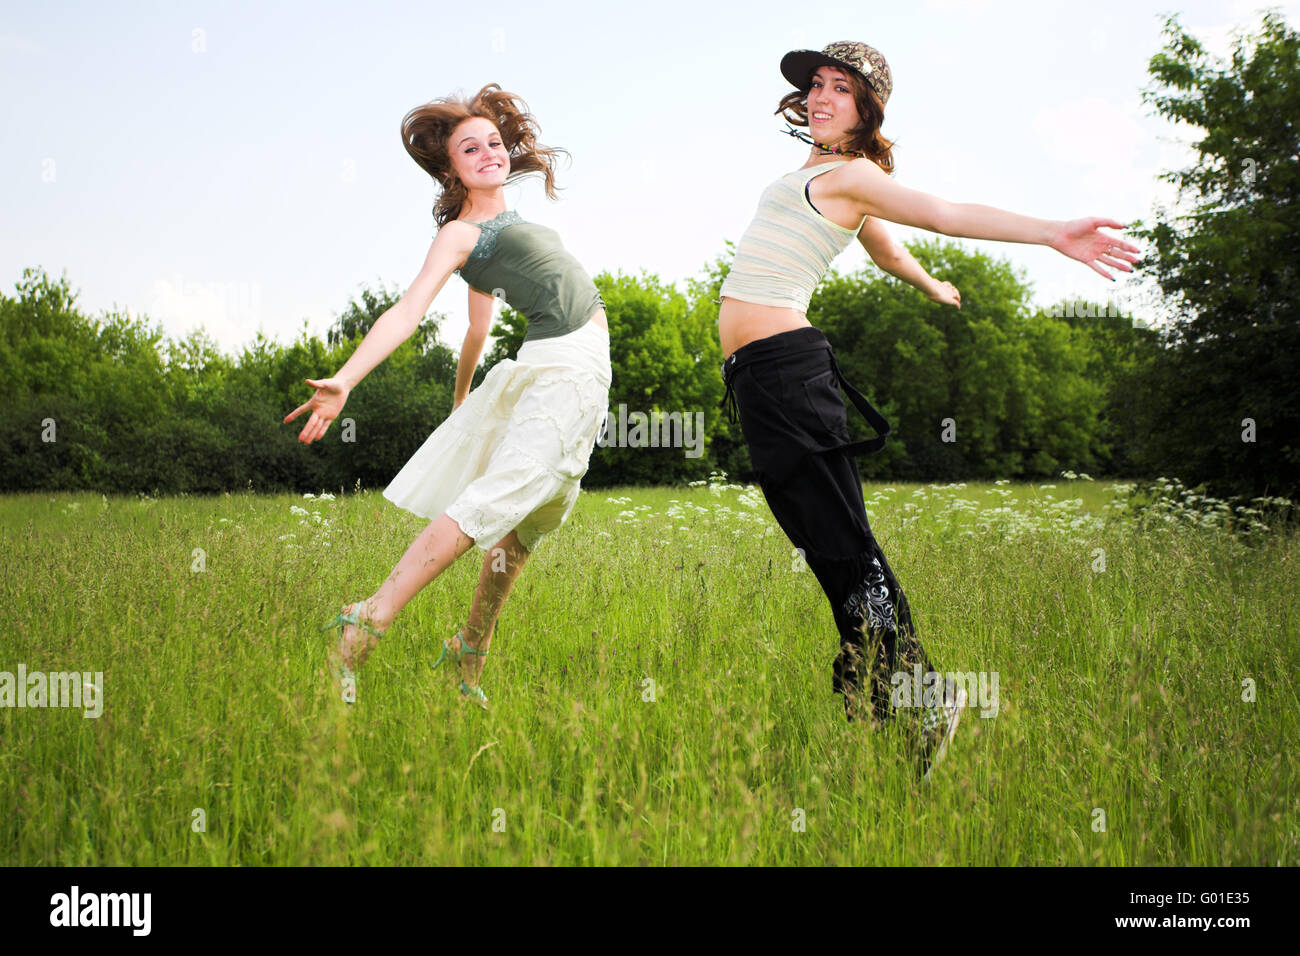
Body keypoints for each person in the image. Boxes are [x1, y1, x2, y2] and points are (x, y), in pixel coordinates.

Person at [716, 41, 1140, 778]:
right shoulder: (824, 178)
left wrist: (1050, 231)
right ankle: (886, 683)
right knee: (826, 541)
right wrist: (929, 284)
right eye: (815, 85)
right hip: (762, 376)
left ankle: (915, 690)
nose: (820, 97)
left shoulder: (855, 174)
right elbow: (884, 249)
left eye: (839, 89)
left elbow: (944, 211)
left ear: (867, 106)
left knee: (842, 542)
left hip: (787, 372)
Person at [284, 83, 612, 709]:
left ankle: (467, 653)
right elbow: (408, 310)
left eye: (494, 141)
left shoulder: (508, 225)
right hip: (563, 368)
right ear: (449, 167)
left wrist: (462, 398)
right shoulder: (460, 236)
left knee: (527, 531)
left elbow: (479, 329)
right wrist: (346, 379)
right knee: (495, 502)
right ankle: (367, 619)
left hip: (585, 378)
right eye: (470, 147)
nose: (489, 151)